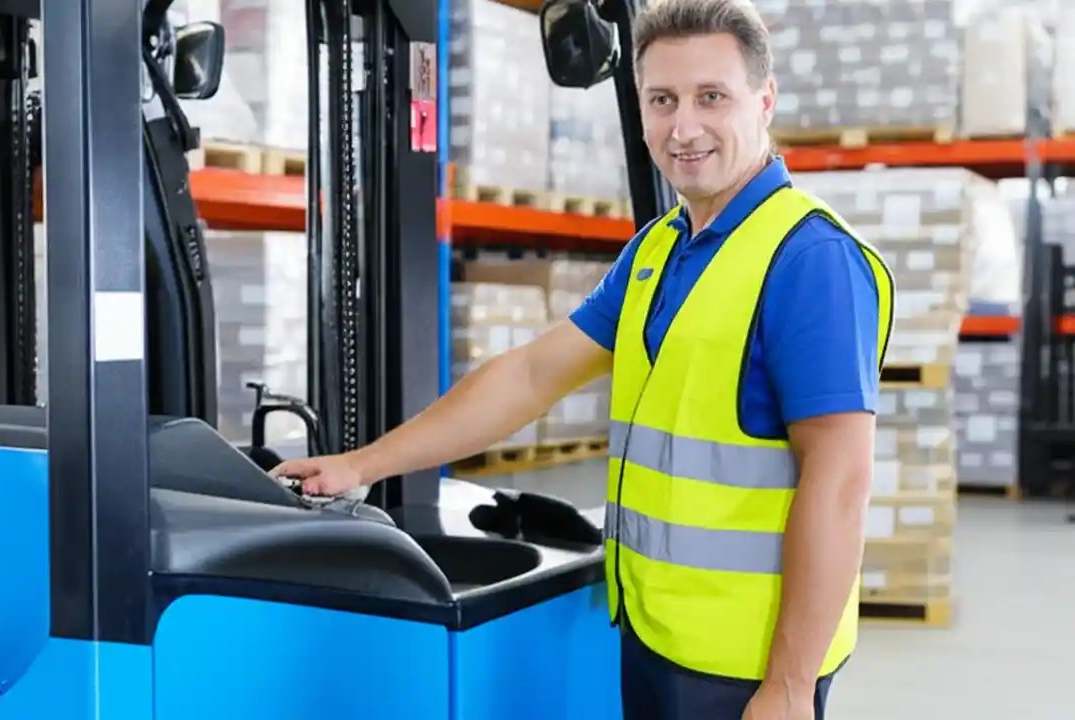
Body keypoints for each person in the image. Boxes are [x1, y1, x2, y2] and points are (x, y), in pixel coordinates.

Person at [273, 0, 894, 717]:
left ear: (765, 101)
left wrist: (787, 687)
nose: (683, 127)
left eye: (710, 97)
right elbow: (532, 375)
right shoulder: (658, 252)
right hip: (657, 636)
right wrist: (362, 465)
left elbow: (841, 480)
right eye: (662, 100)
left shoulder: (810, 258)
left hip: (747, 666)